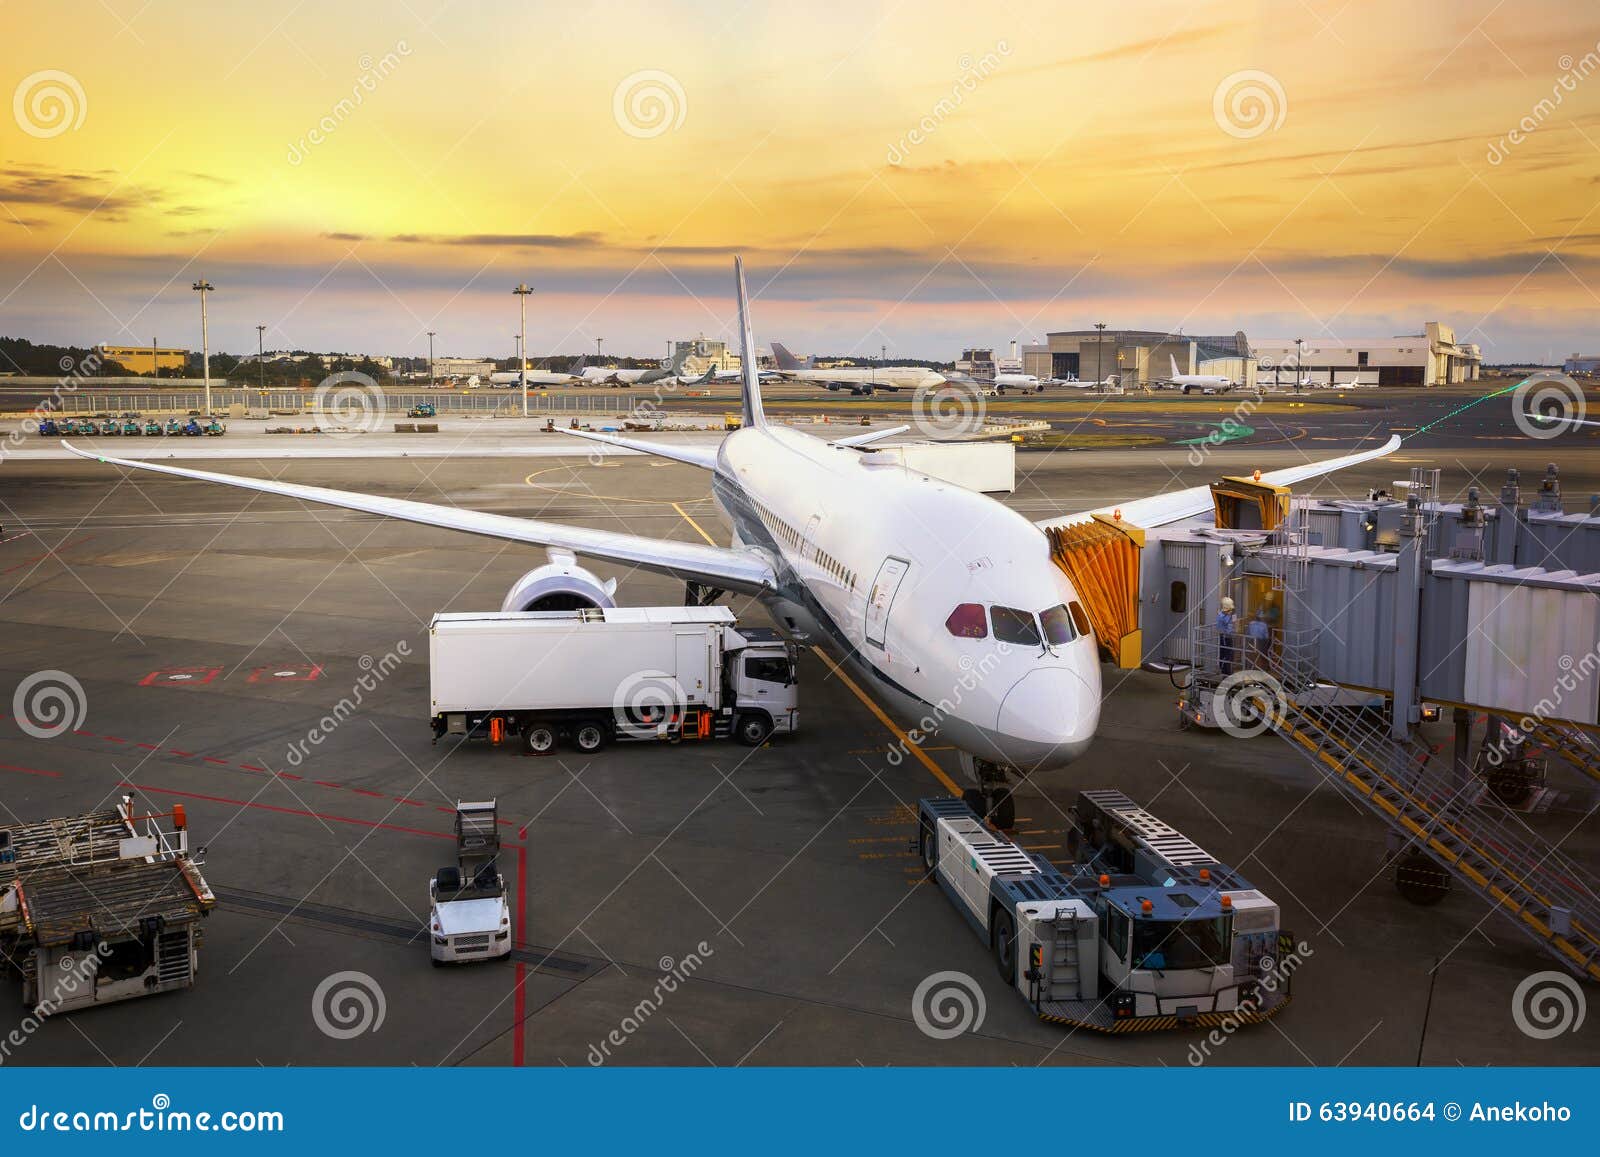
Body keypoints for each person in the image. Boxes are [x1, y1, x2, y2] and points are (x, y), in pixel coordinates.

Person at [1215, 596, 1238, 675]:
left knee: (1229, 654)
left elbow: (1233, 623)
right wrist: (1231, 616)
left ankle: (1228, 670)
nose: (1231, 611)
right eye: (1229, 609)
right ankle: (1225, 671)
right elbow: (1226, 623)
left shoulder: (1225, 615)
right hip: (1225, 637)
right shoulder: (1222, 616)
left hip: (1229, 636)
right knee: (1226, 654)